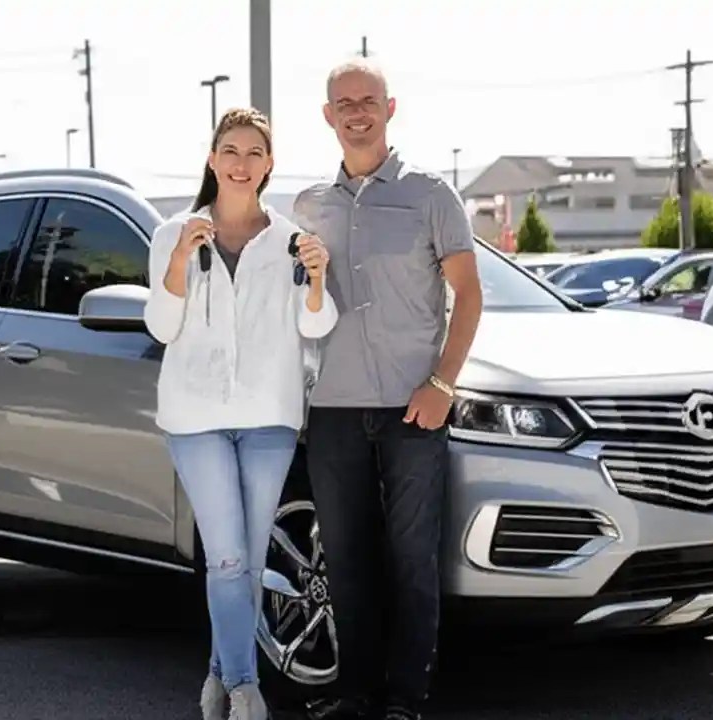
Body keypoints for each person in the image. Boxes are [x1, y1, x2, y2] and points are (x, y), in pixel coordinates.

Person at [291, 59, 483, 720]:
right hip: (334, 408)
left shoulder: (432, 197)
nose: (356, 111)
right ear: (327, 115)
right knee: (345, 560)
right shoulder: (308, 207)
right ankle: (356, 692)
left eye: (366, 99)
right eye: (343, 102)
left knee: (410, 561)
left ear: (389, 107)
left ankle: (406, 701)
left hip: (414, 407)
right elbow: (297, 307)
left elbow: (470, 295)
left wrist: (442, 384)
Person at [144, 107, 339, 720]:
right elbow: (161, 325)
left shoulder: (288, 239)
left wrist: (315, 279)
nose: (241, 163)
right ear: (212, 158)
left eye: (255, 153)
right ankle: (245, 690)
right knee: (227, 556)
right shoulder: (173, 232)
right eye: (230, 150)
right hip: (194, 419)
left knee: (249, 561)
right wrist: (178, 263)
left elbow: (317, 324)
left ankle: (215, 676)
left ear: (269, 164)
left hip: (269, 417)